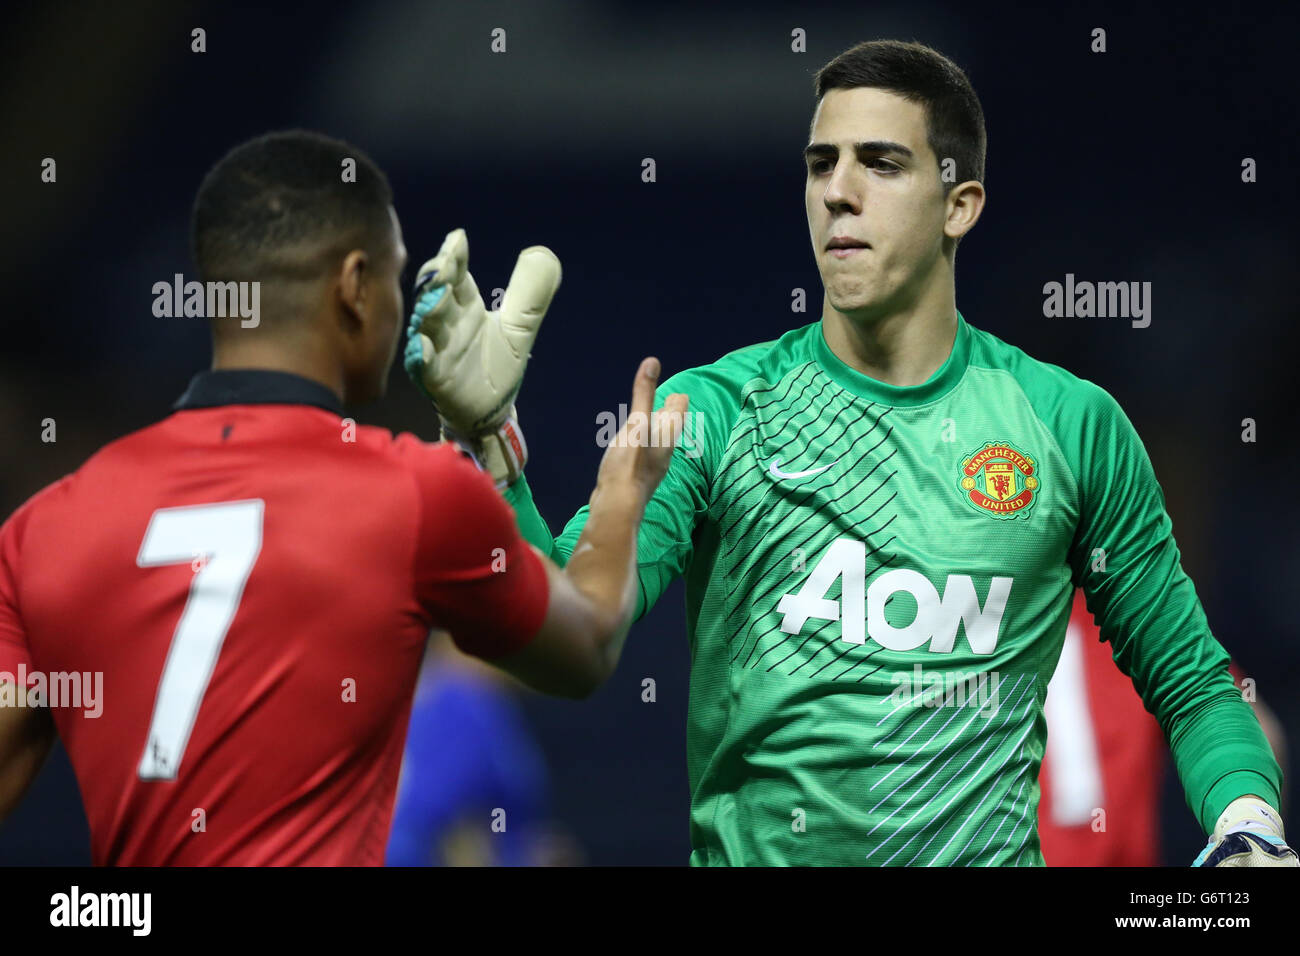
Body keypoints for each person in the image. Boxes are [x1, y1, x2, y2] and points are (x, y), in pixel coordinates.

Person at [408, 40, 1292, 866]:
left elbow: (1196, 685)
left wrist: (1247, 824)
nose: (838, 190)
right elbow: (558, 639)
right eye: (820, 163)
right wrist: (488, 447)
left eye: (880, 162)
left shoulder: (1070, 427)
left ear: (960, 204)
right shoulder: (714, 413)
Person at [0, 129, 686, 865]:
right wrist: (621, 489)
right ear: (356, 286)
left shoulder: (44, 527)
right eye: (397, 280)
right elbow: (584, 649)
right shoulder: (414, 492)